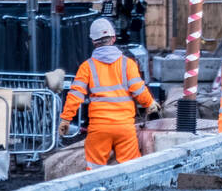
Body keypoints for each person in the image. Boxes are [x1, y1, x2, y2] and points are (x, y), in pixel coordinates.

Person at [60, 17, 158, 169]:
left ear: (93, 42)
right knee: (131, 168)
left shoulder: (87, 67)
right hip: (124, 127)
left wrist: (66, 119)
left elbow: (75, 95)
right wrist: (150, 104)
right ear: (113, 38)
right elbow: (139, 90)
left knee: (94, 171)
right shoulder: (128, 64)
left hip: (99, 128)